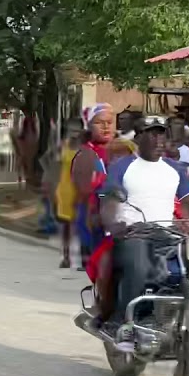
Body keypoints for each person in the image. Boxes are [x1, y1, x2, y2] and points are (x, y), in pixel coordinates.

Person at [95, 118, 189, 338]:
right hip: (133, 233)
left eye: (162, 134)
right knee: (141, 268)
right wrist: (115, 224)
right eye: (152, 134)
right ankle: (121, 321)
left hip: (169, 235)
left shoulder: (175, 169)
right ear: (138, 137)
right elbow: (108, 202)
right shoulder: (122, 167)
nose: (159, 140)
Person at [70, 104, 115, 271]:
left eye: (109, 122)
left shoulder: (124, 149)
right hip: (92, 206)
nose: (106, 127)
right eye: (99, 123)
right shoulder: (85, 153)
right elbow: (82, 186)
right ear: (89, 126)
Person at [51, 119, 84, 268]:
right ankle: (65, 256)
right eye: (72, 129)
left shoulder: (85, 148)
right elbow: (55, 168)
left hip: (80, 189)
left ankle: (85, 258)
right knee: (65, 226)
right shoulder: (62, 145)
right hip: (64, 190)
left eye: (77, 129)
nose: (74, 132)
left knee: (81, 225)